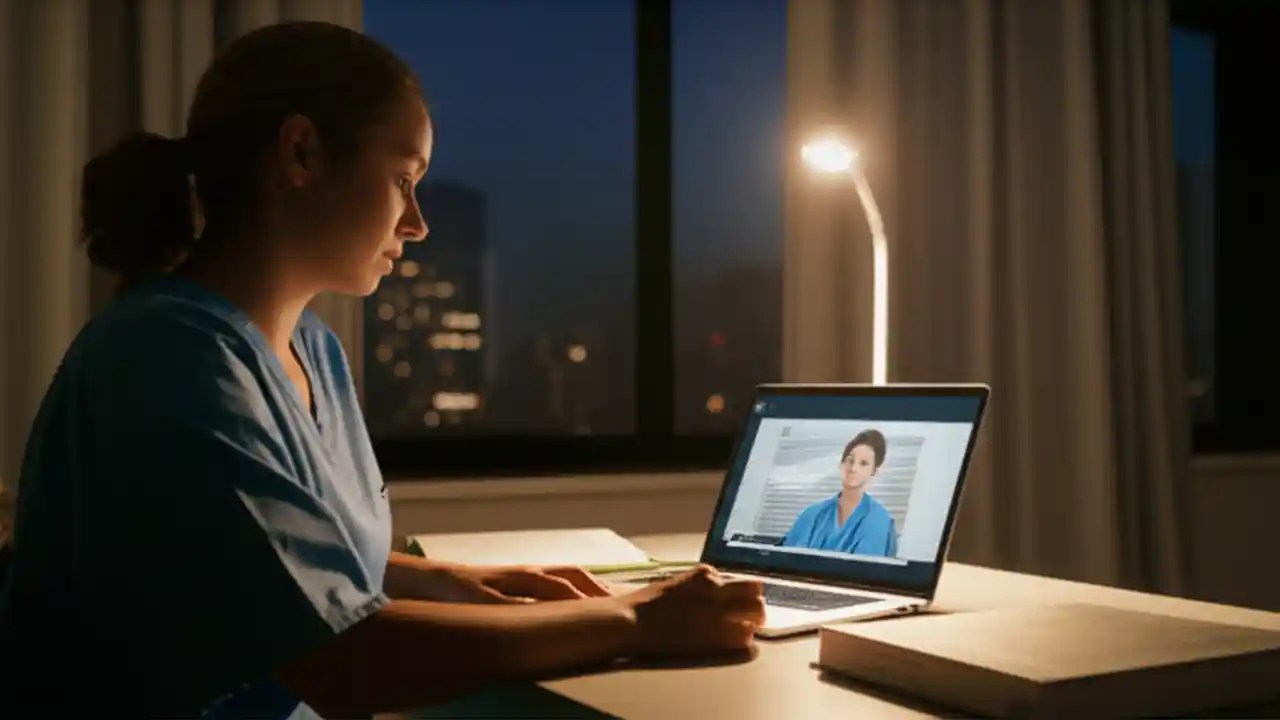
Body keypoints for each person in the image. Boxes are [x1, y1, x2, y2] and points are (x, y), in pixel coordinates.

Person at [0, 21, 764, 719]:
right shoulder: (165, 358)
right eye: (404, 178)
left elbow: (253, 562)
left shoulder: (317, 356)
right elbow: (343, 659)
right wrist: (636, 618)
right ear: (300, 153)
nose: (418, 221)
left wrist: (436, 581)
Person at [780, 429, 898, 556]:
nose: (853, 469)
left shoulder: (879, 520)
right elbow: (787, 561)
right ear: (842, 464)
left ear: (874, 472)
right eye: (850, 460)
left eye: (863, 463)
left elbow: (867, 571)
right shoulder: (812, 514)